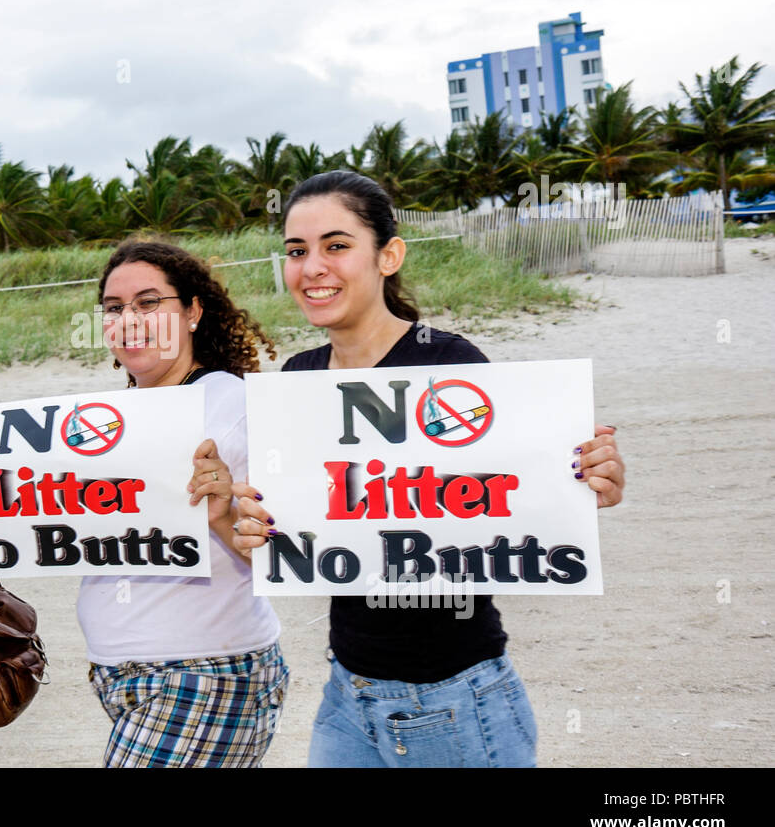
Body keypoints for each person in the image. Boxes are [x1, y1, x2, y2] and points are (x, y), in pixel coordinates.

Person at [229, 170, 626, 768]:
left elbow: (517, 489)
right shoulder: (299, 378)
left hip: (456, 698)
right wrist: (252, 521)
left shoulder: (448, 361)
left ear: (388, 256)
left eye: (336, 246)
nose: (311, 267)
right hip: (347, 692)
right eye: (296, 250)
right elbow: (307, 519)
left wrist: (588, 477)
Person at [0, 240, 289, 767]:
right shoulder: (111, 417)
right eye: (114, 308)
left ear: (193, 311)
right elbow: (36, 508)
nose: (129, 319)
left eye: (149, 302)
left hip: (205, 674)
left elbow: (288, 553)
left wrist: (222, 517)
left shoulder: (227, 404)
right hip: (128, 679)